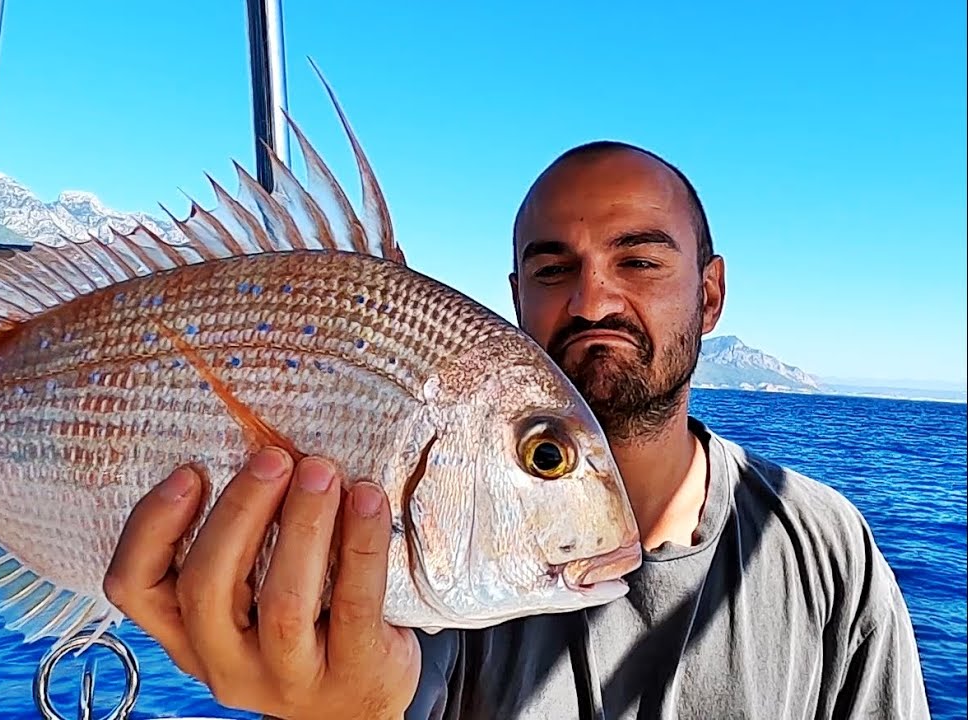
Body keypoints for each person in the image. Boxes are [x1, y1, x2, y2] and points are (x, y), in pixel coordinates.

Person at [102, 141, 931, 719]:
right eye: (552, 268)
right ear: (516, 296)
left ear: (710, 296)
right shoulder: (433, 577)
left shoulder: (828, 550)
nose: (593, 300)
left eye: (640, 260)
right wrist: (344, 711)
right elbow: (382, 686)